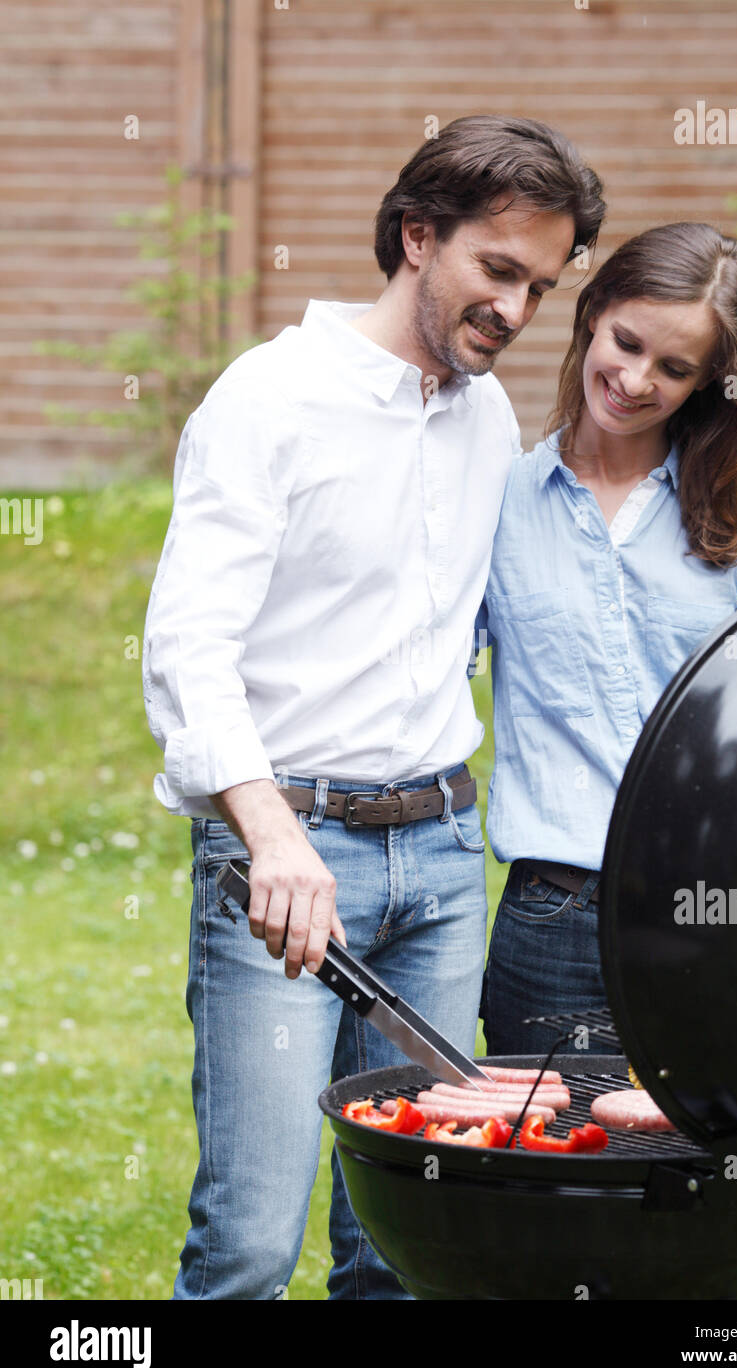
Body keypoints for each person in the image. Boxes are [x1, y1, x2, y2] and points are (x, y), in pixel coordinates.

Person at [141, 114, 605, 1300]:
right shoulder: (270, 398)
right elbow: (189, 645)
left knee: (398, 1246)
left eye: (540, 287)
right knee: (249, 1241)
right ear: (415, 238)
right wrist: (275, 835)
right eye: (496, 269)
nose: (514, 308)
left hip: (444, 863)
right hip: (293, 864)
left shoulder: (484, 417)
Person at [478, 222, 737, 1058]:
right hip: (553, 919)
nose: (634, 380)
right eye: (626, 343)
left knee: (707, 1181)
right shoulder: (502, 499)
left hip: (715, 910)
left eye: (675, 368)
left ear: (709, 384)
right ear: (592, 314)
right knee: (554, 1185)